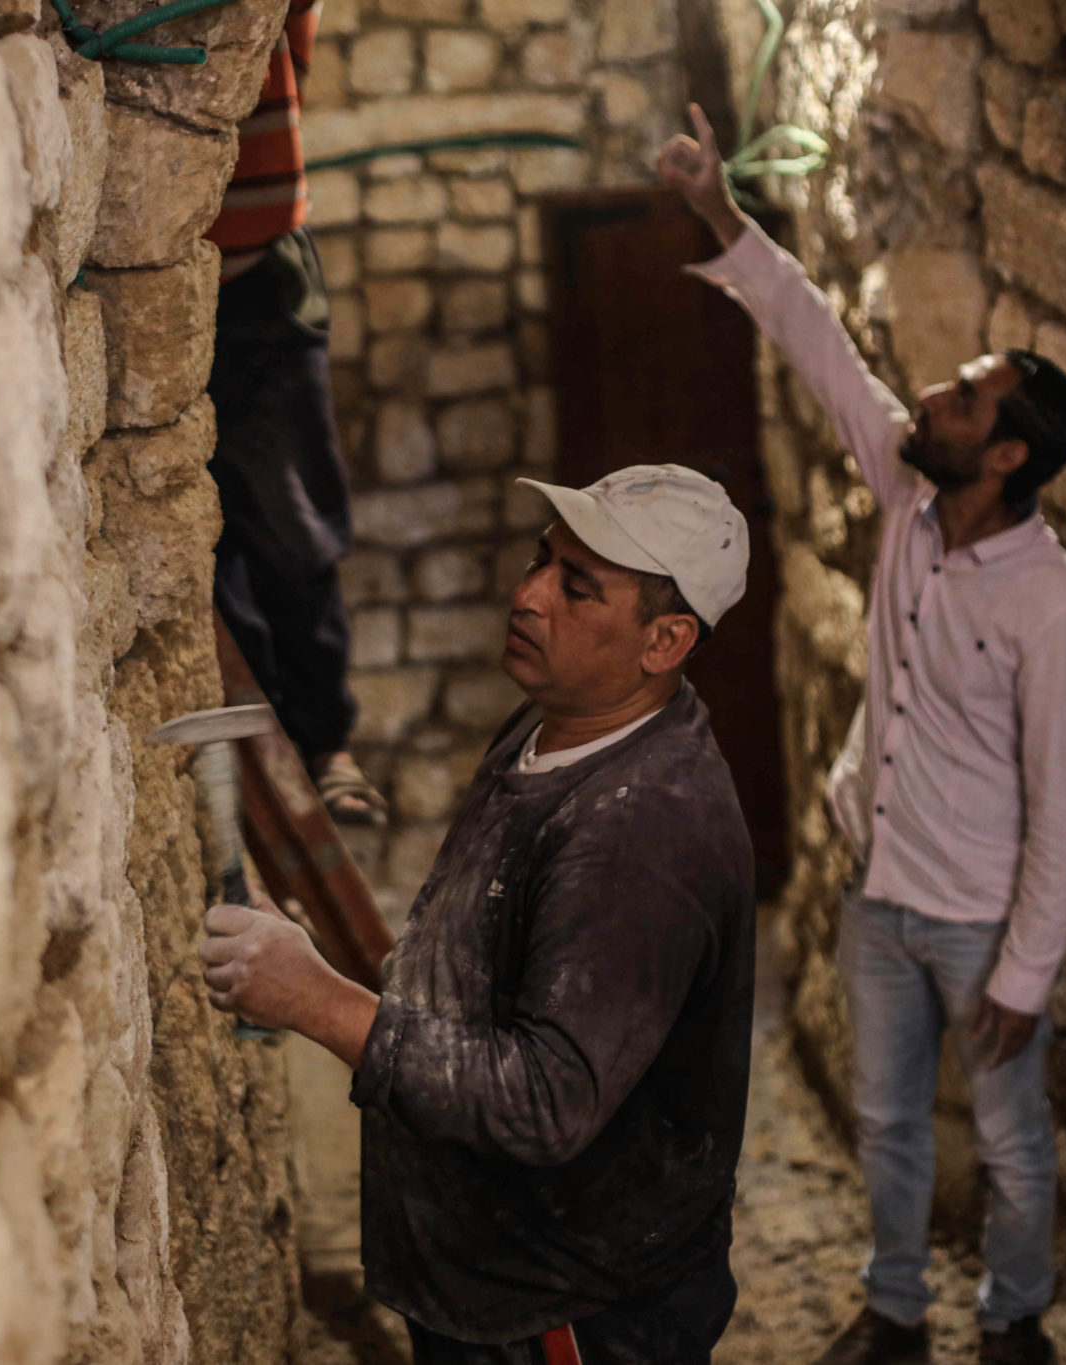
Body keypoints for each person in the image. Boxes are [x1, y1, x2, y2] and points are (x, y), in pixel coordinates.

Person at [660, 105, 1066, 1365]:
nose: (928, 392)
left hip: (976, 915)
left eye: (963, 398)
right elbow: (817, 342)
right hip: (877, 886)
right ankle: (896, 1310)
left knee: (1012, 1136)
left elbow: (1057, 796)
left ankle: (1014, 1320)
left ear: (1005, 455)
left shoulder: (1050, 606)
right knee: (886, 1120)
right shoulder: (910, 495)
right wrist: (717, 212)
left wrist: (1025, 971)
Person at [198, 464, 759, 1364]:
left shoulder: (641, 832)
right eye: (543, 561)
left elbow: (545, 1100)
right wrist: (297, 958)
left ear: (666, 640)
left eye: (577, 588)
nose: (528, 595)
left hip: (568, 1313)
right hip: (497, 1280)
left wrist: (313, 1000)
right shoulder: (553, 726)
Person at [204, 0, 385, 825]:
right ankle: (264, 749)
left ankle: (322, 742)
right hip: (177, 276)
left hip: (262, 273)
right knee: (208, 555)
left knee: (294, 529)